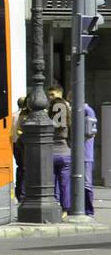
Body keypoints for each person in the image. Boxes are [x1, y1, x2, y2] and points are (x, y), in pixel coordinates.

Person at [49, 84, 73, 214]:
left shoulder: (51, 113)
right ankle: (65, 209)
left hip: (52, 153)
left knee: (52, 184)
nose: (50, 97)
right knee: (65, 184)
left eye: (52, 95)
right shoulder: (68, 112)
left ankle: (55, 206)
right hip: (65, 153)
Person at [12, 96, 27, 199]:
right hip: (23, 143)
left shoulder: (12, 115)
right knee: (25, 168)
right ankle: (23, 192)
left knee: (20, 167)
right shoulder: (24, 116)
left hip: (14, 143)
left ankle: (19, 191)